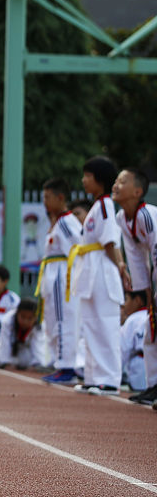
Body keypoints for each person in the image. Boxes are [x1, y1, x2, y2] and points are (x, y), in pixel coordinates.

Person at [70, 155, 126, 395]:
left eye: (88, 176)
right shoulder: (96, 206)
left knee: (105, 325)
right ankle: (93, 376)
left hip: (103, 271)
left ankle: (110, 379)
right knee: (91, 325)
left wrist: (120, 268)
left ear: (100, 180)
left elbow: (110, 242)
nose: (84, 181)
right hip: (90, 271)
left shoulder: (105, 205)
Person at [112, 167, 157, 404]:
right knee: (151, 332)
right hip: (153, 278)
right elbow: (137, 258)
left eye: (123, 181)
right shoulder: (122, 218)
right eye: (116, 181)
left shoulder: (147, 215)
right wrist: (146, 292)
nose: (116, 185)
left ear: (137, 191)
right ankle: (153, 386)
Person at [37, 177, 81, 385]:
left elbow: (77, 248)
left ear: (60, 197)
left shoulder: (65, 222)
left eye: (47, 197)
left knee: (64, 319)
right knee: (53, 320)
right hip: (52, 273)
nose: (44, 202)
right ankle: (59, 362)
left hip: (62, 274)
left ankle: (67, 365)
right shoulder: (57, 223)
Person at [0, 298, 41, 370]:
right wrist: (6, 362)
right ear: (17, 313)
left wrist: (35, 364)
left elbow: (37, 347)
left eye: (30, 318)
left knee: (34, 361)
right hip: (9, 351)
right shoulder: (7, 320)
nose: (25, 321)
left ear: (35, 318)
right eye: (23, 317)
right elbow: (5, 343)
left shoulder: (39, 326)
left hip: (24, 353)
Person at [120, 291, 148, 395]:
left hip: (139, 371)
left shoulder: (133, 319)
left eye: (126, 299)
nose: (124, 304)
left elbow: (122, 350)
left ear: (138, 300)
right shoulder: (151, 316)